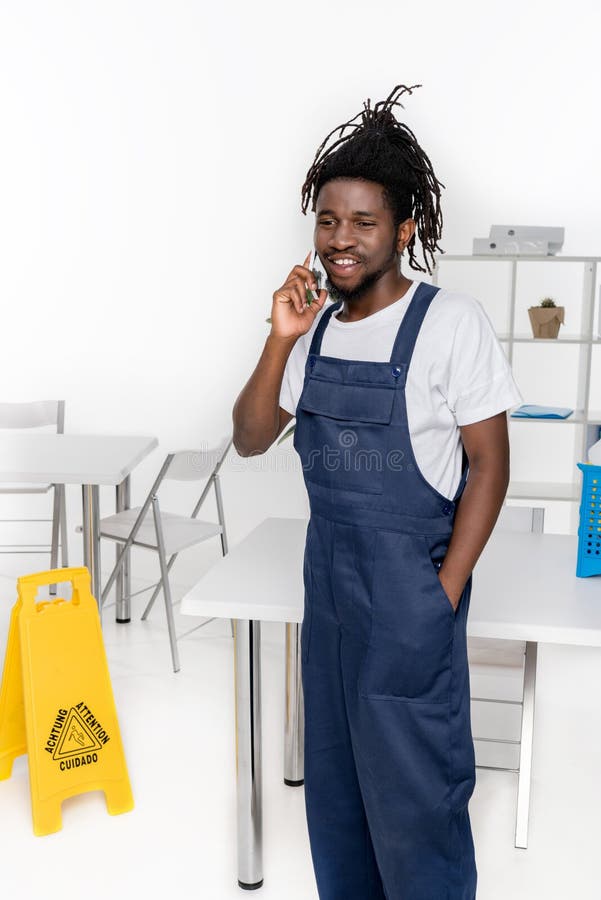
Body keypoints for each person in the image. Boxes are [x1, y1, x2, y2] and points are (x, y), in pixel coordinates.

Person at [232, 83, 522, 900]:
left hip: (408, 595)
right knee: (336, 787)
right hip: (327, 591)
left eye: (362, 222)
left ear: (405, 229)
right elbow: (251, 436)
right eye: (327, 220)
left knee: (416, 795)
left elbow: (488, 466)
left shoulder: (449, 322)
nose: (340, 239)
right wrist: (277, 337)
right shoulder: (313, 325)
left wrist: (443, 591)